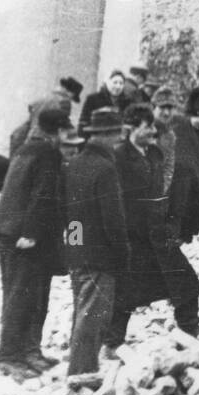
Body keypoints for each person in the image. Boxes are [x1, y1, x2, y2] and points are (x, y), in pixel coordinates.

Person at [107, 104, 199, 350]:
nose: (152, 130)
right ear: (131, 128)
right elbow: (112, 201)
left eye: (152, 125)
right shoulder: (118, 157)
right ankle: (112, 344)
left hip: (158, 235)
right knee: (125, 295)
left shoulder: (154, 155)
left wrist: (172, 226)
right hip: (133, 239)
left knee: (187, 284)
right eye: (146, 126)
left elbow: (162, 194)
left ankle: (189, 335)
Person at [0, 107, 70, 376]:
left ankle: (27, 352)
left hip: (8, 232)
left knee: (20, 294)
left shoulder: (25, 149)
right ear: (58, 131)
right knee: (25, 297)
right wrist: (32, 234)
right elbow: (42, 195)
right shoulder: (48, 153)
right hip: (26, 238)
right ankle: (10, 355)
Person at [63, 107, 130, 377]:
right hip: (100, 254)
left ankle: (78, 364)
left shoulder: (75, 163)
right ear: (105, 135)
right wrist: (122, 253)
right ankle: (81, 372)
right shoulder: (105, 168)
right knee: (93, 316)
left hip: (77, 248)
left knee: (81, 310)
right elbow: (112, 217)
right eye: (116, 135)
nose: (118, 141)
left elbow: (70, 212)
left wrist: (75, 247)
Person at [153, 87, 199, 244]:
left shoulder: (180, 124)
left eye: (170, 108)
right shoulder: (144, 127)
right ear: (153, 107)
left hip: (178, 185)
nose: (167, 113)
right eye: (162, 108)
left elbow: (194, 158)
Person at [9, 77, 83, 155]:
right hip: (48, 139)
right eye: (73, 96)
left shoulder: (43, 98)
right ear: (70, 92)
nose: (71, 99)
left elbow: (31, 119)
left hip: (31, 137)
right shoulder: (64, 102)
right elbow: (64, 124)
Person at [79, 70, 131, 134]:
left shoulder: (127, 102)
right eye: (115, 82)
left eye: (121, 83)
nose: (118, 86)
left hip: (118, 138)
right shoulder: (93, 99)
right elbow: (83, 122)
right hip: (96, 138)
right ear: (107, 82)